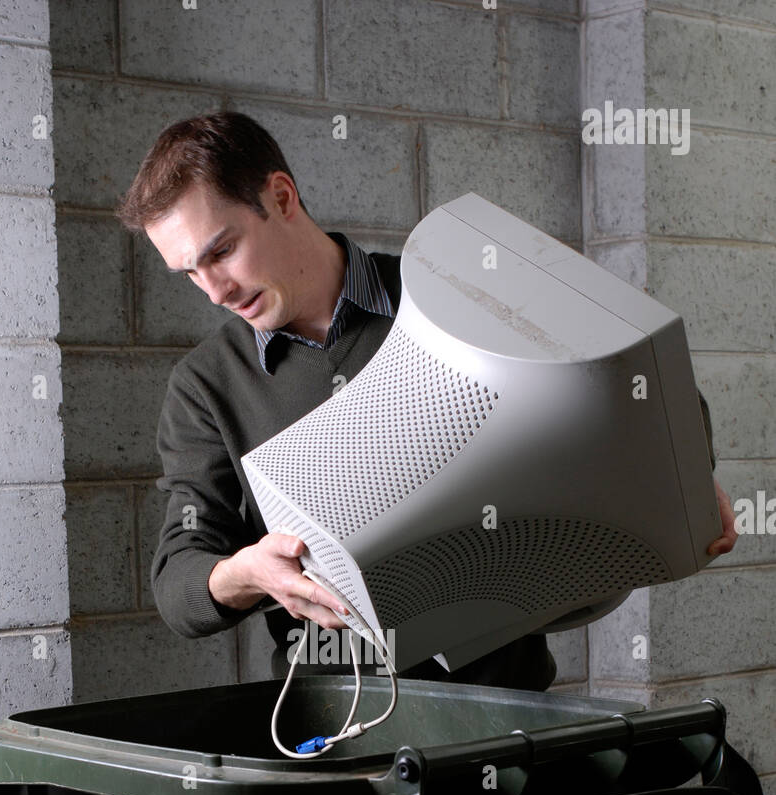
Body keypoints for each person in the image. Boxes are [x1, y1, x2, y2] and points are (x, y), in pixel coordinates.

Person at [116, 112, 737, 689]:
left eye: (221, 251)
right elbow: (178, 581)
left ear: (281, 197)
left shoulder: (456, 291)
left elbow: (636, 382)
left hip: (509, 707)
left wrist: (684, 467)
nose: (215, 290)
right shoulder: (205, 386)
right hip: (336, 726)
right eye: (190, 272)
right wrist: (246, 573)